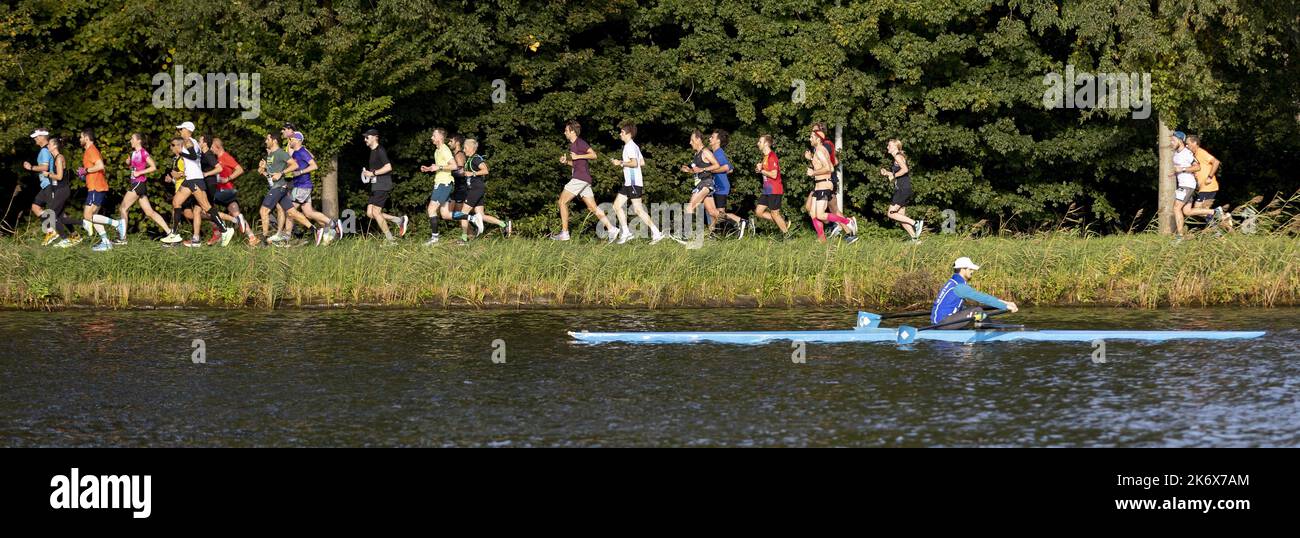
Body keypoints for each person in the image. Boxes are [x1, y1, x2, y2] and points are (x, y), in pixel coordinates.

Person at [164, 121, 231, 245]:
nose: (179, 131)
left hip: (195, 179)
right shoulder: (191, 141)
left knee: (206, 207)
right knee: (176, 202)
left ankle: (225, 230)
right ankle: (174, 234)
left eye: (181, 129)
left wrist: (181, 153)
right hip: (189, 179)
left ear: (187, 130)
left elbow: (194, 156)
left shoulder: (189, 141)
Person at [551, 120, 618, 241]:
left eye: (566, 130)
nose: (564, 132)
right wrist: (566, 162)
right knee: (592, 208)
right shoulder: (573, 145)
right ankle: (612, 228)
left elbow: (594, 155)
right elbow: (577, 165)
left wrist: (578, 156)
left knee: (562, 202)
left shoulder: (580, 143)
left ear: (572, 131)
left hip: (580, 178)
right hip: (584, 179)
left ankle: (565, 233)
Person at [608, 121, 664, 244]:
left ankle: (656, 233)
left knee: (638, 210)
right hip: (629, 182)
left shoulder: (630, 146)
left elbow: (635, 163)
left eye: (622, 132)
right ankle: (626, 232)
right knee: (616, 206)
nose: (620, 134)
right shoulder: (634, 146)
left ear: (628, 134)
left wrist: (620, 163)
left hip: (633, 183)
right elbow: (642, 162)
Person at [116, 133, 174, 243]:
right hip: (137, 184)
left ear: (139, 141)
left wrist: (140, 173)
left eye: (132, 139)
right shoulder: (134, 153)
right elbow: (135, 168)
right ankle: (170, 233)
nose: (130, 141)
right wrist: (129, 163)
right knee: (149, 212)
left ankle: (122, 238)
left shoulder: (143, 152)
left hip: (138, 184)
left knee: (123, 208)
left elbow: (153, 167)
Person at [930, 257, 1019, 327]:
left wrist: (1006, 302)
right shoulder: (959, 286)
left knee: (971, 309)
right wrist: (1005, 306)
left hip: (942, 320)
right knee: (977, 310)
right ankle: (988, 328)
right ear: (962, 269)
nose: (972, 272)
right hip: (942, 323)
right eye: (970, 269)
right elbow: (983, 298)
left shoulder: (953, 282)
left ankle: (988, 325)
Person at [451, 138, 512, 241]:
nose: (464, 150)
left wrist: (473, 173)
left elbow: (485, 170)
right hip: (475, 189)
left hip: (475, 189)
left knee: (463, 213)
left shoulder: (476, 159)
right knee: (481, 215)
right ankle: (504, 224)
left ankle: (464, 239)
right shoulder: (469, 159)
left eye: (465, 148)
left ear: (471, 148)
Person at [804, 127, 857, 243]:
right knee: (812, 212)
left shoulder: (819, 150)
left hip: (824, 185)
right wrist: (812, 160)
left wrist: (813, 172)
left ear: (818, 139)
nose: (810, 139)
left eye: (812, 137)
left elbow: (829, 168)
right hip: (819, 185)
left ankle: (847, 222)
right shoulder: (819, 150)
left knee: (821, 215)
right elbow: (831, 164)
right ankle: (822, 238)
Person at [76, 129, 126, 251]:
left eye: (81, 137)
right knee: (92, 216)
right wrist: (84, 173)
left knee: (88, 216)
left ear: (86, 138)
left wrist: (86, 170)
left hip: (96, 187)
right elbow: (96, 168)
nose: (80, 139)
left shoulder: (91, 150)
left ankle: (117, 224)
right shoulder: (89, 151)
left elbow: (100, 166)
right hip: (95, 186)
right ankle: (106, 242)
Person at [285, 132, 333, 245]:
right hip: (302, 186)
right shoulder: (297, 152)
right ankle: (332, 224)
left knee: (290, 211)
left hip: (302, 186)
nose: (289, 141)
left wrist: (300, 172)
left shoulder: (301, 152)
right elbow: (293, 152)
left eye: (291, 139)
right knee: (308, 213)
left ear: (297, 140)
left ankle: (285, 239)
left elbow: (314, 165)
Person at [361, 129, 406, 244]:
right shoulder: (372, 151)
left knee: (376, 212)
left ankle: (390, 241)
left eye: (367, 137)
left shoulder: (380, 150)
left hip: (383, 184)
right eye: (365, 137)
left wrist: (373, 173)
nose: (365, 139)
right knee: (370, 214)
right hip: (375, 185)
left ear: (375, 137)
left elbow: (388, 167)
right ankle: (398, 220)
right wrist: (368, 175)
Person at [209, 137, 257, 245]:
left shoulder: (225, 157)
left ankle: (217, 234)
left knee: (208, 208)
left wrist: (228, 178)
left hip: (226, 190)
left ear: (218, 147)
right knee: (236, 213)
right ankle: (252, 237)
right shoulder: (218, 159)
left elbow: (240, 169)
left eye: (212, 147)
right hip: (224, 189)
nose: (211, 150)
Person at [257, 132, 299, 245]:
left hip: (281, 186)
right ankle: (282, 235)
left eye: (267, 139)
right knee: (286, 211)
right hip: (274, 186)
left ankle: (269, 239)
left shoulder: (280, 154)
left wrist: (281, 173)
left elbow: (294, 165)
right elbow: (269, 175)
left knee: (267, 211)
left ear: (274, 141)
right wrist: (262, 170)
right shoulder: (270, 156)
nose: (265, 141)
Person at [680, 130, 722, 240]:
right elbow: (698, 171)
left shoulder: (706, 152)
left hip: (706, 184)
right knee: (713, 212)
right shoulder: (696, 154)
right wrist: (689, 170)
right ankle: (739, 221)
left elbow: (717, 165)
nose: (690, 142)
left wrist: (702, 168)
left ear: (698, 139)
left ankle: (685, 236)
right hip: (700, 184)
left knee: (689, 207)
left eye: (692, 140)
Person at [42, 138, 84, 248]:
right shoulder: (55, 158)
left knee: (51, 214)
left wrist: (48, 175)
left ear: (55, 146)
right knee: (60, 218)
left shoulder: (59, 158)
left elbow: (59, 176)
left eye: (49, 144)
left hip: (63, 190)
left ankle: (65, 239)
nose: (47, 146)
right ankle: (82, 225)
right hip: (59, 191)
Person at [1184, 135, 1230, 231]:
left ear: (1195, 143)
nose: (1186, 146)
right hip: (1203, 187)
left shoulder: (1201, 152)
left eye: (1188, 144)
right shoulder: (1194, 156)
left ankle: (1219, 214)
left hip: (1208, 186)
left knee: (1196, 209)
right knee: (1204, 211)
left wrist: (1210, 177)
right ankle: (1221, 227)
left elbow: (1216, 162)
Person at [706, 129, 747, 237]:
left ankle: (740, 221)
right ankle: (712, 235)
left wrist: (711, 170)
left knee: (719, 214)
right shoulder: (717, 153)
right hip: (718, 186)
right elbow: (731, 169)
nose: (709, 138)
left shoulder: (718, 153)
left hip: (721, 187)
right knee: (713, 213)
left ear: (718, 141)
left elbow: (726, 167)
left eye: (712, 137)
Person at [420, 128, 456, 245]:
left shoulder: (445, 150)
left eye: (434, 135)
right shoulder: (437, 151)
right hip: (440, 182)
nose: (432, 138)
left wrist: (438, 167)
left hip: (444, 183)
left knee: (431, 209)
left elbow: (454, 166)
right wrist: (430, 168)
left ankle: (435, 239)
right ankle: (473, 218)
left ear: (440, 137)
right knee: (445, 214)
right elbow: (440, 166)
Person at [880, 138, 921, 241]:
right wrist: (887, 173)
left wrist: (893, 175)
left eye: (889, 145)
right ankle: (915, 240)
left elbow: (905, 170)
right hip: (904, 189)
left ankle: (916, 223)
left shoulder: (898, 156)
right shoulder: (897, 157)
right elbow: (899, 173)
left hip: (902, 190)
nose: (887, 147)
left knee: (891, 213)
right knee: (901, 218)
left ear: (895, 146)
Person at [21, 128, 57, 245]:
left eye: (37, 137)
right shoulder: (45, 150)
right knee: (36, 207)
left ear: (42, 137)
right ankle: (52, 231)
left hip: (49, 184)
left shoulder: (44, 151)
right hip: (46, 185)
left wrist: (30, 167)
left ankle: (72, 235)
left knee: (58, 212)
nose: (35, 139)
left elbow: (45, 168)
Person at [751, 134, 788, 235]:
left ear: (766, 143)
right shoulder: (765, 157)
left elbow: (774, 175)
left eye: (760, 142)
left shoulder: (772, 156)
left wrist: (761, 170)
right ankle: (783, 223)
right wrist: (759, 170)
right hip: (767, 189)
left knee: (775, 214)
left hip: (775, 189)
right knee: (759, 212)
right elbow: (765, 172)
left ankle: (787, 235)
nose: (758, 144)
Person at [1170, 131, 1199, 240]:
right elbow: (1180, 168)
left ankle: (1180, 237)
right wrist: (1175, 173)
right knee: (1187, 211)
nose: (1171, 142)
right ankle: (1214, 212)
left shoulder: (1187, 153)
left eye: (1173, 140)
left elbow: (1197, 167)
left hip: (1187, 185)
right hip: (1183, 185)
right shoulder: (1176, 154)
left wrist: (1182, 169)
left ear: (1180, 141)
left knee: (1176, 208)